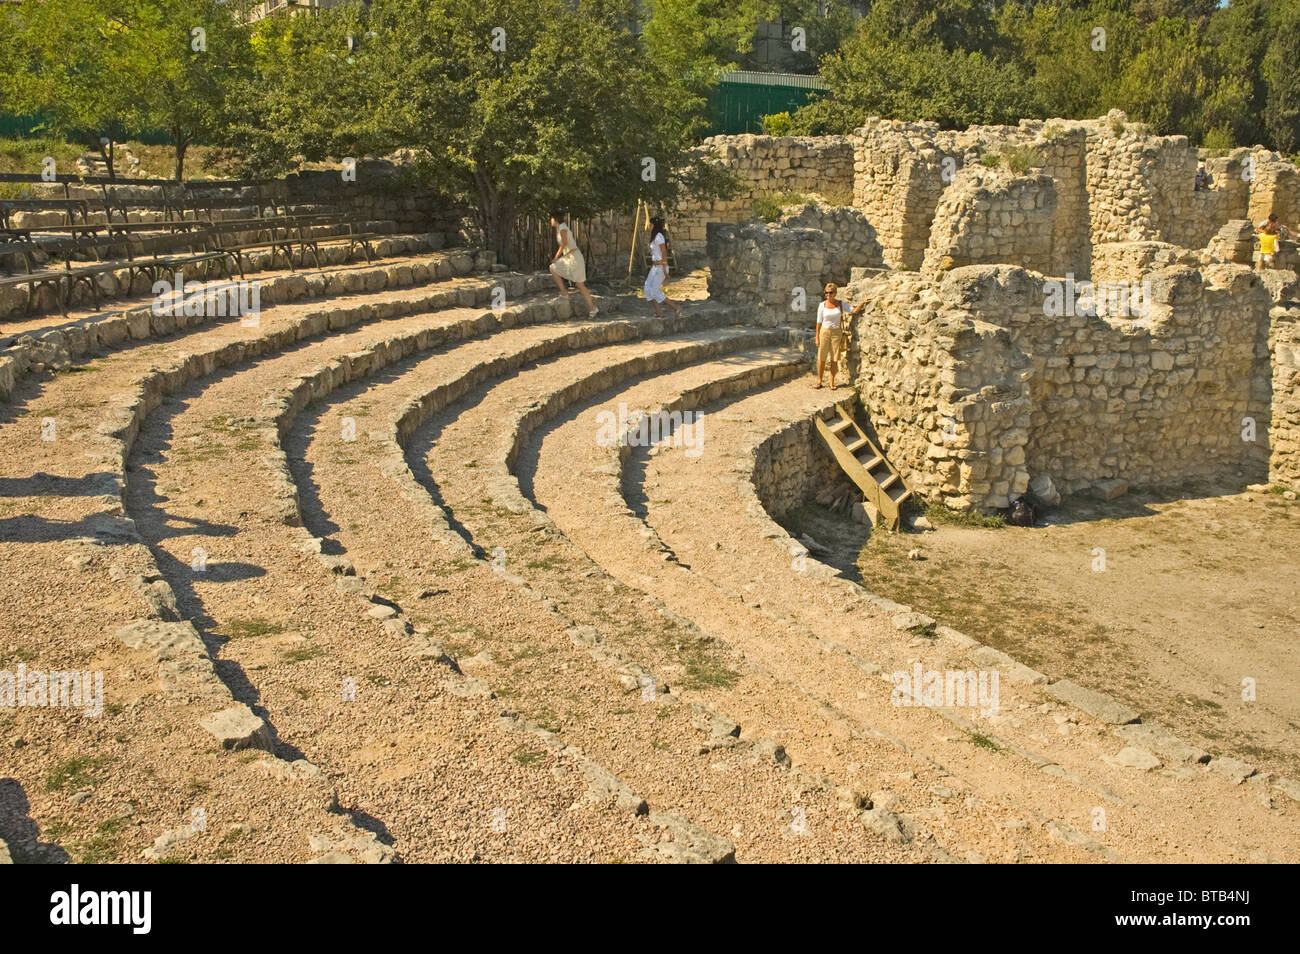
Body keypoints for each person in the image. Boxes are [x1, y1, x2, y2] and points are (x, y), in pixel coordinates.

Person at [815, 282, 864, 390]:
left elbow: (853, 311)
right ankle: (819, 380)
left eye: (830, 292)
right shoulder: (822, 305)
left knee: (834, 358)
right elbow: (818, 322)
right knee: (821, 358)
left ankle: (831, 381)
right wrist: (817, 337)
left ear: (835, 293)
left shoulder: (841, 304)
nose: (828, 294)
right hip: (825, 332)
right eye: (826, 292)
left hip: (837, 333)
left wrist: (863, 303)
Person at [549, 211, 598, 317]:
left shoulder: (562, 228)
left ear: (555, 218)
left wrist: (556, 257)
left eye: (551, 218)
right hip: (569, 257)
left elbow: (565, 244)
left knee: (580, 284)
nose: (550, 220)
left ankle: (592, 307)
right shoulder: (560, 228)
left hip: (574, 257)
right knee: (553, 268)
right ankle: (564, 292)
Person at [643, 215, 682, 318]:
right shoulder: (654, 236)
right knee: (647, 289)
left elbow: (664, 252)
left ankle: (676, 307)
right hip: (655, 266)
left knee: (655, 290)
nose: (649, 226)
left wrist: (665, 268)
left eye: (650, 224)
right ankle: (659, 312)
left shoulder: (659, 236)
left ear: (654, 225)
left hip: (661, 266)